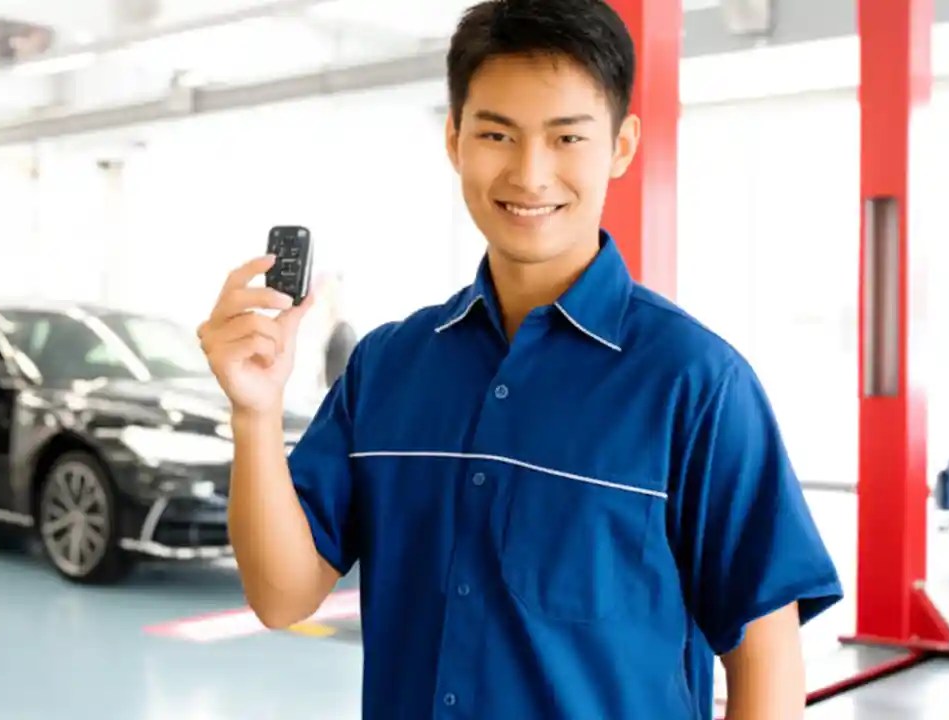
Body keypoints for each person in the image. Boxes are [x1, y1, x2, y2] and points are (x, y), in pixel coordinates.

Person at [196, 1, 842, 718]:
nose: (531, 175)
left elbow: (766, 657)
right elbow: (282, 597)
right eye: (497, 134)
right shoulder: (388, 367)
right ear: (455, 139)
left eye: (567, 137)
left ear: (621, 146)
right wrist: (254, 415)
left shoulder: (695, 384)